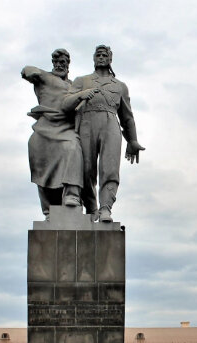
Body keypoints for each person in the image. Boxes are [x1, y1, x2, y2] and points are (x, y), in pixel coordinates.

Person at [66, 45, 145, 222]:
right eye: (98, 55)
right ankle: (91, 206)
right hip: (87, 123)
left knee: (110, 168)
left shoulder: (120, 86)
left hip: (111, 125)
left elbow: (127, 116)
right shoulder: (81, 81)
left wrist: (132, 140)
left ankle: (105, 208)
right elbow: (66, 103)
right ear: (94, 58)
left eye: (104, 55)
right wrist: (81, 95)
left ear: (110, 59)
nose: (101, 57)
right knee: (85, 169)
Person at [21, 49, 84, 219]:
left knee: (73, 147)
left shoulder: (73, 86)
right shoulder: (44, 77)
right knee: (37, 149)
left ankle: (72, 194)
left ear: (68, 65)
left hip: (66, 128)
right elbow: (27, 71)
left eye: (63, 62)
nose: (59, 65)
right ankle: (49, 209)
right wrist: (30, 71)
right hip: (45, 128)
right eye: (56, 62)